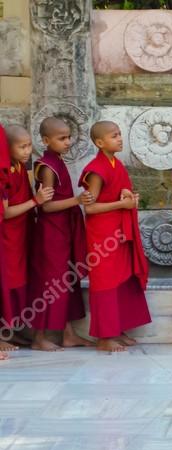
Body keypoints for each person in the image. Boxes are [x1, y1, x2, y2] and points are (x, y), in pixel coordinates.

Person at [79, 121, 151, 353]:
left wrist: (128, 198)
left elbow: (119, 193)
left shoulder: (115, 164)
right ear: (100, 143)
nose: (120, 139)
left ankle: (118, 329)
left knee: (122, 278)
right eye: (114, 136)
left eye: (119, 134)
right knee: (105, 282)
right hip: (102, 234)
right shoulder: (96, 170)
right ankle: (104, 337)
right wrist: (122, 203)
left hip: (118, 231)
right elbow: (90, 208)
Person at [30, 117, 93, 351]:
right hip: (50, 234)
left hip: (63, 229)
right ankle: (38, 338)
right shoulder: (46, 167)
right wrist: (76, 200)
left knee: (65, 281)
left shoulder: (56, 160)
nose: (68, 142)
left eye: (69, 137)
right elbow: (46, 206)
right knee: (50, 283)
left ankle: (68, 334)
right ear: (46, 140)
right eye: (62, 138)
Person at [3, 125, 53, 348]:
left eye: (29, 145)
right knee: (5, 284)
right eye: (21, 147)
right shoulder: (3, 173)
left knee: (18, 284)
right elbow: (5, 212)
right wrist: (36, 201)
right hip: (5, 239)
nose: (27, 151)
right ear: (6, 148)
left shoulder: (20, 168)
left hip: (20, 237)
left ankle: (9, 331)